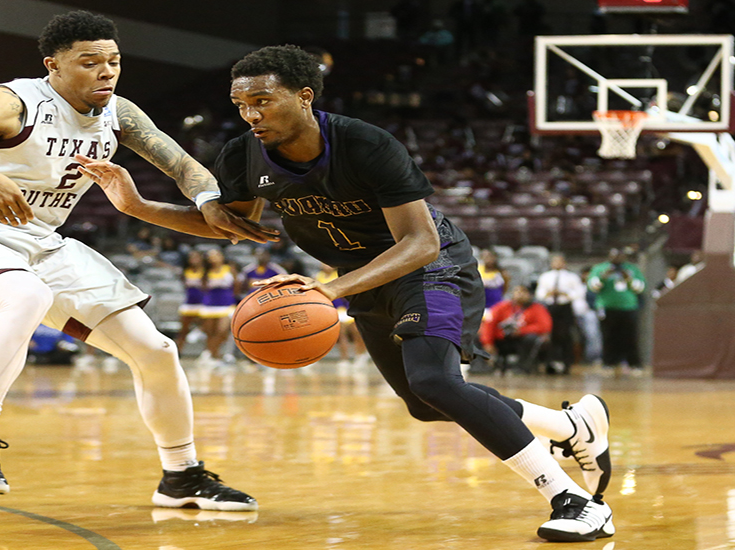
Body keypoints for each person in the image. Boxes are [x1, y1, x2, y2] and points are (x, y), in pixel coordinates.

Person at [77, 45, 615, 542]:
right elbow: (230, 224)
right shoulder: (244, 155)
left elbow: (421, 242)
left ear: (304, 96)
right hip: (362, 276)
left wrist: (328, 290)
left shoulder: (365, 144)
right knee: (426, 404)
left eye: (263, 101)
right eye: (241, 105)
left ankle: (574, 501)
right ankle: (570, 426)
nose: (251, 115)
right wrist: (136, 206)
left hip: (432, 266)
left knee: (435, 381)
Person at [0, 11, 271, 509]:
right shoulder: (12, 102)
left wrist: (208, 201)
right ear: (53, 66)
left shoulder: (119, 114)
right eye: (90, 62)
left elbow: (184, 167)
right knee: (27, 297)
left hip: (42, 241)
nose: (106, 72)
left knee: (156, 350)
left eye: (114, 61)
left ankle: (182, 476)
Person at [588, 248, 646, 376]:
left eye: (619, 256)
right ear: (609, 256)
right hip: (607, 307)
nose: (617, 258)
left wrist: (629, 279)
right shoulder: (599, 268)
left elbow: (640, 288)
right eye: (614, 256)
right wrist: (603, 277)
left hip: (628, 307)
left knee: (630, 337)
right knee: (608, 336)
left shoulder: (632, 269)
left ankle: (634, 364)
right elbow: (593, 287)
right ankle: (609, 364)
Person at [534, 254, 587, 374]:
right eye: (555, 261)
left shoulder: (572, 277)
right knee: (550, 334)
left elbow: (579, 292)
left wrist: (565, 294)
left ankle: (566, 363)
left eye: (560, 261)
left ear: (564, 263)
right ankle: (550, 363)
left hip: (565, 307)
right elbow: (539, 293)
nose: (557, 264)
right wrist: (548, 293)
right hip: (550, 307)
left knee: (565, 335)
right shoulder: (545, 276)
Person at [481, 285, 552, 374]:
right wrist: (487, 342)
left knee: (531, 339)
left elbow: (544, 326)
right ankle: (482, 367)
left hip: (522, 339)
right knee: (477, 336)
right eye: (517, 291)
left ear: (530, 295)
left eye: (523, 292)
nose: (520, 294)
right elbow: (489, 324)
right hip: (503, 338)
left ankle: (523, 367)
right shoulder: (502, 307)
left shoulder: (537, 308)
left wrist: (521, 331)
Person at [315, 262, 368, 370]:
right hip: (332, 310)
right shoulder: (318, 277)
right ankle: (344, 358)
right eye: (324, 264)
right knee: (341, 334)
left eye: (327, 264)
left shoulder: (339, 275)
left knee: (356, 332)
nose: (326, 266)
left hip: (346, 308)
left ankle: (361, 355)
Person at [197, 248, 237, 367]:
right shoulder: (205, 271)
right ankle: (213, 356)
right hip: (209, 305)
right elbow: (203, 288)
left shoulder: (230, 269)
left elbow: (237, 285)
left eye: (216, 255)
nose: (213, 258)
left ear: (222, 256)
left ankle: (212, 353)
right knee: (210, 333)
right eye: (211, 256)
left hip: (226, 304)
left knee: (222, 332)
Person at [173, 249, 205, 352]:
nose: (193, 259)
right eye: (191, 257)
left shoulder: (206, 271)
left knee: (207, 327)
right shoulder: (185, 271)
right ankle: (178, 351)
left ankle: (199, 333)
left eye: (196, 257)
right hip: (189, 302)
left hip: (203, 303)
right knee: (183, 330)